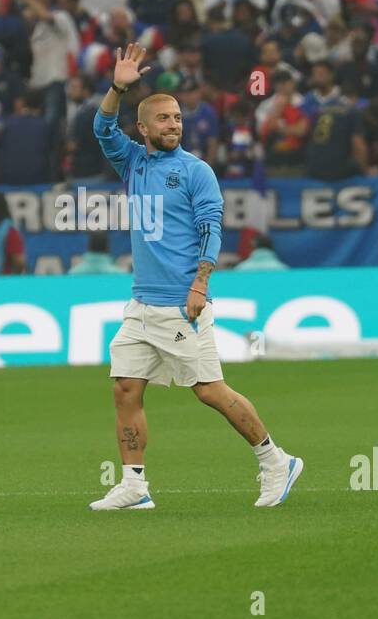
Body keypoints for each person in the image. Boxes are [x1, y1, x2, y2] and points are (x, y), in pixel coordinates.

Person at [88, 43, 303, 511]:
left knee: (209, 391)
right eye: (163, 119)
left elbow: (211, 228)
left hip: (181, 301)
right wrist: (118, 87)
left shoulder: (195, 171)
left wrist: (200, 283)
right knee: (125, 387)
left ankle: (275, 461)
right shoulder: (134, 163)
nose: (174, 125)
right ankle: (134, 485)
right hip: (141, 304)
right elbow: (102, 128)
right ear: (143, 128)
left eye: (178, 118)